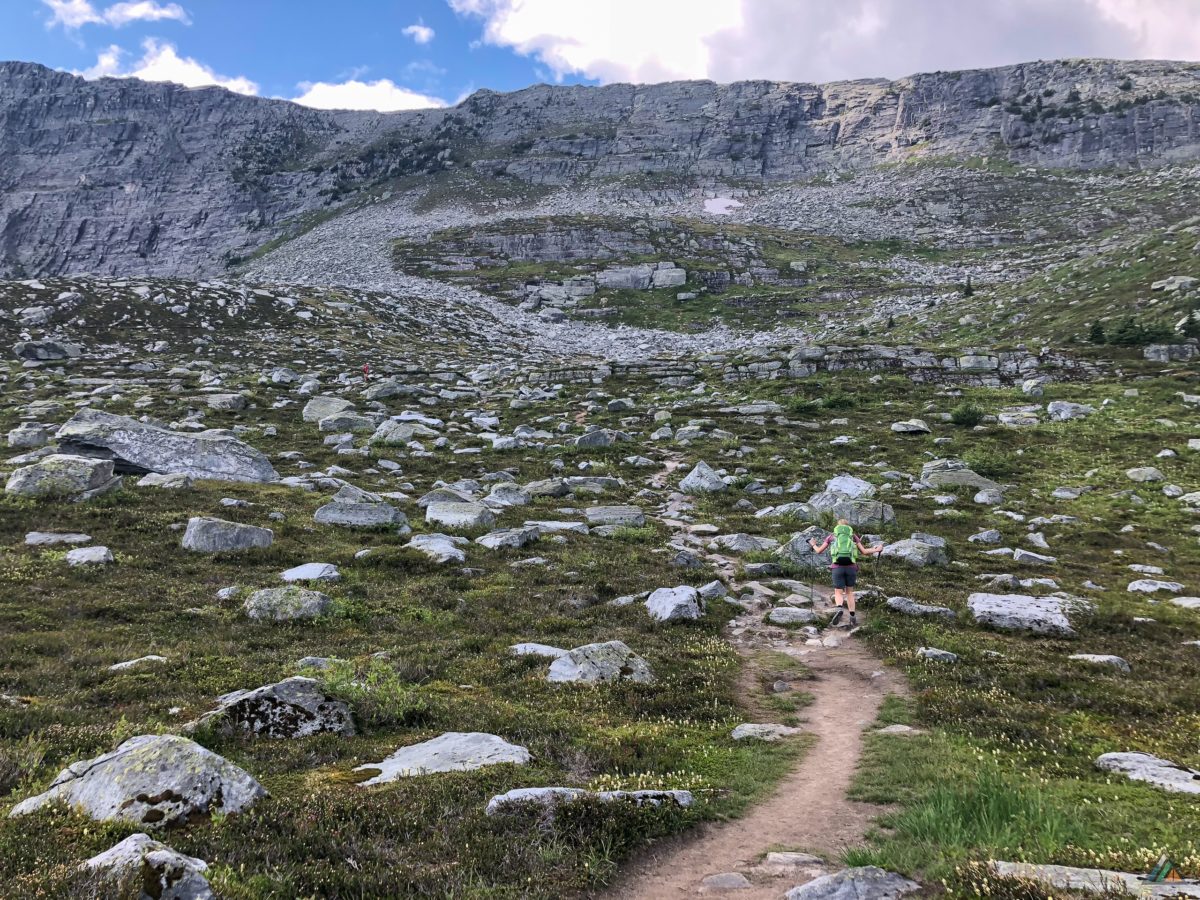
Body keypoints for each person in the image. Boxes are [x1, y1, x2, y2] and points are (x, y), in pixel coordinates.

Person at [808, 520, 883, 627]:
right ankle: (852, 615)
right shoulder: (853, 537)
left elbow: (819, 551)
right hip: (851, 568)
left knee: (838, 591)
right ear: (848, 527)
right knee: (849, 592)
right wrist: (877, 549)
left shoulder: (832, 536)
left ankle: (839, 608)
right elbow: (864, 552)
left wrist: (813, 544)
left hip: (837, 567)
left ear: (837, 526)